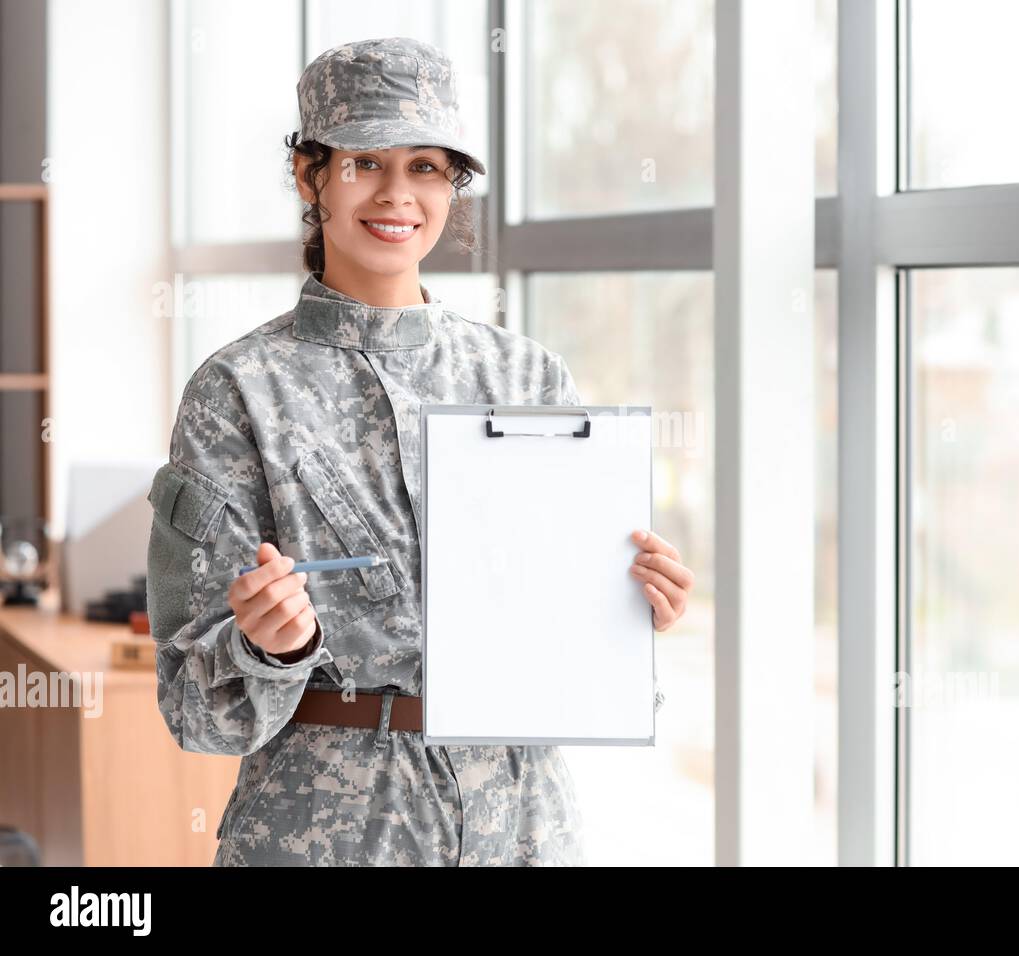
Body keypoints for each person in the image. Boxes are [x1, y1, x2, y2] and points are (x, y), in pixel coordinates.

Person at [145, 36, 695, 866]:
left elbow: (569, 652)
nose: (398, 194)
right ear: (311, 176)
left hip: (522, 828)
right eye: (366, 161)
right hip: (325, 834)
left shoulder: (527, 375)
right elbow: (195, 709)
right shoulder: (237, 391)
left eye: (429, 167)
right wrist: (270, 645)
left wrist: (631, 611)